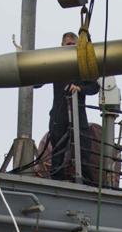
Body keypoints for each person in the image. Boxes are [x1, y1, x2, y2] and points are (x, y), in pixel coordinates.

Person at [42, 31, 99, 182]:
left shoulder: (82, 66)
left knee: (83, 147)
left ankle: (87, 180)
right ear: (62, 46)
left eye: (73, 45)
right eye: (68, 44)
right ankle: (57, 180)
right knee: (58, 148)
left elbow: (94, 87)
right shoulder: (56, 65)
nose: (70, 47)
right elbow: (37, 82)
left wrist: (80, 88)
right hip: (59, 113)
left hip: (78, 112)